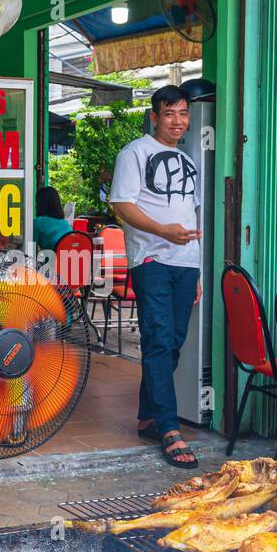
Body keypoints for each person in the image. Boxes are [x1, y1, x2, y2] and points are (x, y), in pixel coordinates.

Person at [109, 85, 203, 469]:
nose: (178, 121)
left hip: (186, 263)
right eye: (169, 114)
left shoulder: (188, 160)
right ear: (155, 117)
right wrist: (163, 232)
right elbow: (121, 204)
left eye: (183, 114)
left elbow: (193, 214)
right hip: (151, 260)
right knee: (159, 339)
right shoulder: (134, 153)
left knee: (173, 343)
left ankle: (149, 417)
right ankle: (168, 428)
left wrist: (196, 269)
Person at [33, 185, 73, 252]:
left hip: (52, 261)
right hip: (71, 260)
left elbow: (30, 248)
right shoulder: (65, 223)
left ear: (40, 204)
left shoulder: (38, 223)